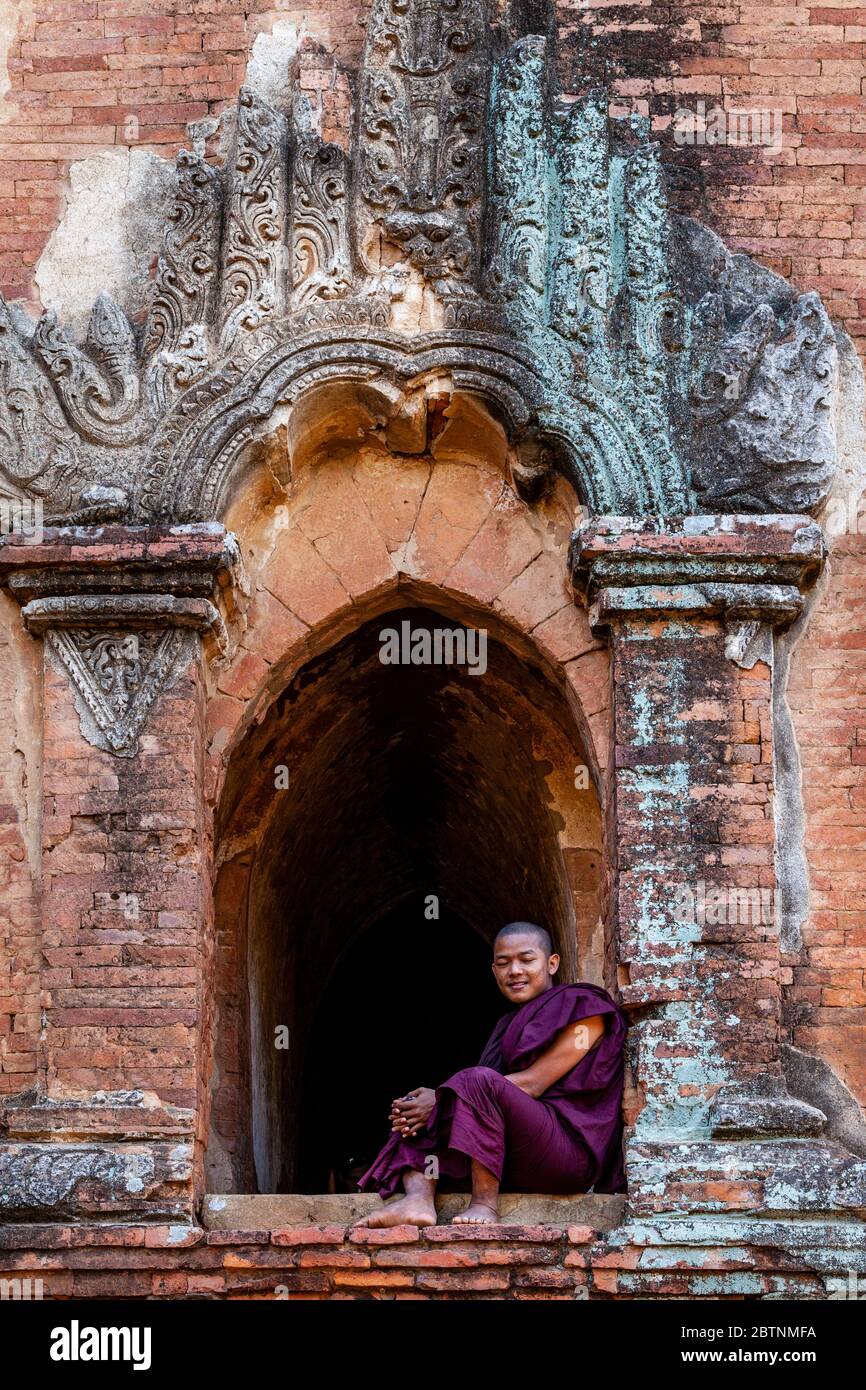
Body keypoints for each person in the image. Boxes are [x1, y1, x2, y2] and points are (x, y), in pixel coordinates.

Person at [353, 921, 628, 1228]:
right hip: (515, 1154)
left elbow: (534, 1083)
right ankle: (418, 1199)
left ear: (552, 963)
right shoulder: (505, 1027)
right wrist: (435, 1108)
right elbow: (481, 1111)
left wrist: (443, 1100)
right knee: (416, 1113)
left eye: (526, 960)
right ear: (494, 971)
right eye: (503, 963)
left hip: (567, 1154)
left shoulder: (584, 1007)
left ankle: (484, 1203)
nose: (514, 971)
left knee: (471, 1082)